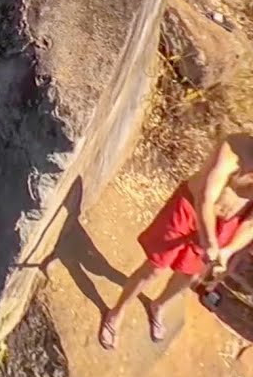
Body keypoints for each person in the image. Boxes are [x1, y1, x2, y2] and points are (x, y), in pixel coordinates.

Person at [98, 133, 253, 349]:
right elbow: (205, 198)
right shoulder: (234, 148)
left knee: (188, 275)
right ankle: (116, 313)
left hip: (224, 225)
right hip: (191, 207)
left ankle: (158, 306)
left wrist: (227, 250)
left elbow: (251, 224)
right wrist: (209, 241)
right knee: (155, 268)